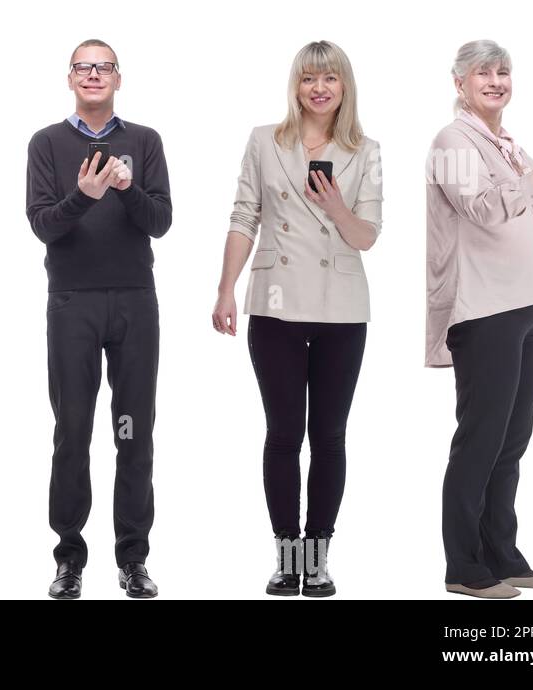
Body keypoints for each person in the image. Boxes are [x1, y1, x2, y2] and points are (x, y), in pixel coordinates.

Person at [212, 40, 381, 597]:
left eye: (329, 79)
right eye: (309, 78)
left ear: (344, 86)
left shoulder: (366, 150)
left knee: (329, 434)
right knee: (284, 433)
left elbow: (367, 237)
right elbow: (244, 214)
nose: (319, 89)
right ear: (296, 85)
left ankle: (320, 554)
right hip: (276, 304)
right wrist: (225, 290)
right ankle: (286, 553)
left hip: (342, 308)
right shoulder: (266, 141)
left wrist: (335, 205)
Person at [426, 39, 533, 599]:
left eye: (503, 71)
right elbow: (485, 209)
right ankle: (463, 566)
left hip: (524, 307)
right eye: (483, 73)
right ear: (460, 83)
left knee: (512, 441)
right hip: (483, 309)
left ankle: (503, 554)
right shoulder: (452, 142)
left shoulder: (508, 145)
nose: (496, 80)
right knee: (480, 439)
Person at [27, 39, 171, 599]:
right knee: (72, 433)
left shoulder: (144, 141)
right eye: (83, 67)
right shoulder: (47, 143)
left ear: (118, 77)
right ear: (70, 78)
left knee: (134, 433)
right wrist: (84, 196)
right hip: (72, 303)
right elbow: (43, 224)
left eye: (103, 67)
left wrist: (128, 189)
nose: (93, 75)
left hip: (136, 301)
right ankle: (69, 558)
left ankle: (133, 558)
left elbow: (160, 221)